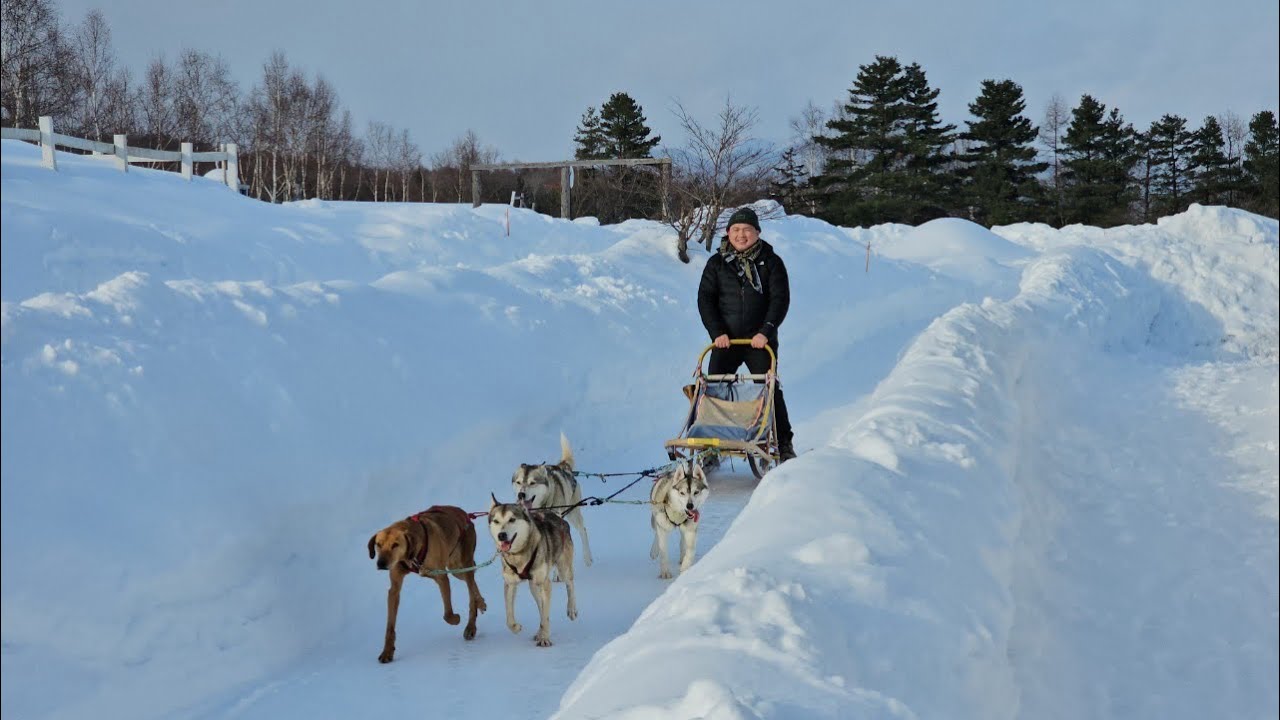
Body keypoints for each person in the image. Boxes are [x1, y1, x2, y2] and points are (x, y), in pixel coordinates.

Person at [697, 206, 796, 461]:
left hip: (759, 343)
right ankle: (711, 444)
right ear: (728, 232)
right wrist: (717, 332)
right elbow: (705, 300)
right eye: (736, 230)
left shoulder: (771, 261)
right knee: (714, 390)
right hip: (725, 341)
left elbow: (780, 300)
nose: (741, 235)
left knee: (769, 389)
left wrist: (766, 331)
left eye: (747, 230)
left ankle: (784, 443)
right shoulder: (717, 263)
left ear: (757, 233)